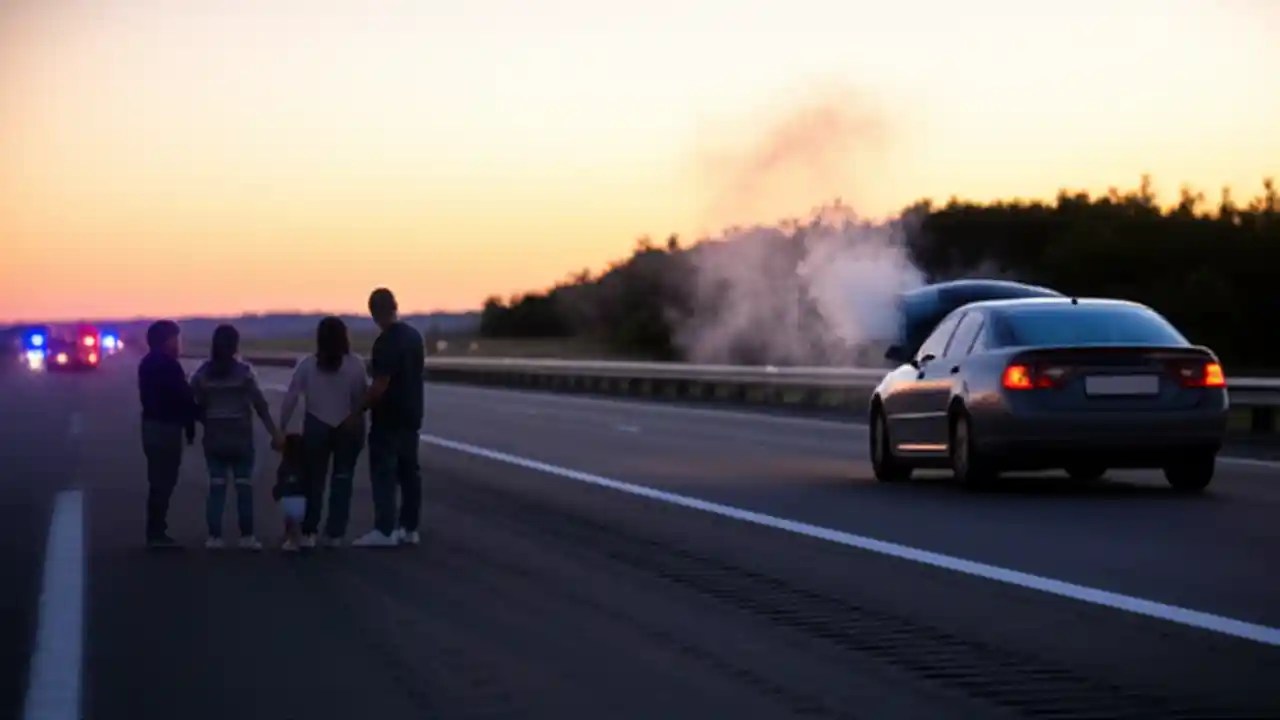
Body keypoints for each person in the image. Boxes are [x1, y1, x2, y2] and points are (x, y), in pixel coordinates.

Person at [190, 324, 283, 550]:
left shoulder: (202, 374)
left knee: (217, 487)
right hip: (241, 439)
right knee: (244, 487)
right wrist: (275, 433)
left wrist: (204, 422)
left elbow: (194, 404)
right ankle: (247, 536)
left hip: (214, 439)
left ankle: (214, 536)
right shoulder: (244, 373)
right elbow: (260, 405)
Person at [278, 316, 368, 548]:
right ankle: (335, 533)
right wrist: (359, 427)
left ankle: (309, 531)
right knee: (342, 479)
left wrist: (281, 427)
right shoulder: (355, 365)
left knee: (314, 482)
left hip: (316, 424)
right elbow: (360, 400)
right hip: (347, 427)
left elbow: (291, 398)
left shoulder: (307, 365)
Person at [345, 288, 424, 547]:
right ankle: (409, 528)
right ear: (395, 306)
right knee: (409, 473)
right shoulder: (414, 337)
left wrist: (358, 411)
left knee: (384, 474)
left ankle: (384, 529)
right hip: (412, 414)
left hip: (389, 418)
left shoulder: (385, 342)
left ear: (373, 313)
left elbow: (380, 384)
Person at [137, 320, 198, 548]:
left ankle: (155, 529)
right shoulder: (169, 365)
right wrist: (196, 419)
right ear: (166, 341)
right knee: (165, 480)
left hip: (151, 426)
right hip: (166, 428)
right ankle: (156, 532)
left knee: (157, 479)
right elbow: (183, 398)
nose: (179, 343)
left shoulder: (146, 363)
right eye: (176, 338)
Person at [272, 433, 310, 552]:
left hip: (286, 498)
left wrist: (276, 493)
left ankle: (289, 538)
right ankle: (296, 538)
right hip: (300, 498)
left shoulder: (284, 466)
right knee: (296, 521)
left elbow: (280, 483)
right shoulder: (304, 466)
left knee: (289, 520)